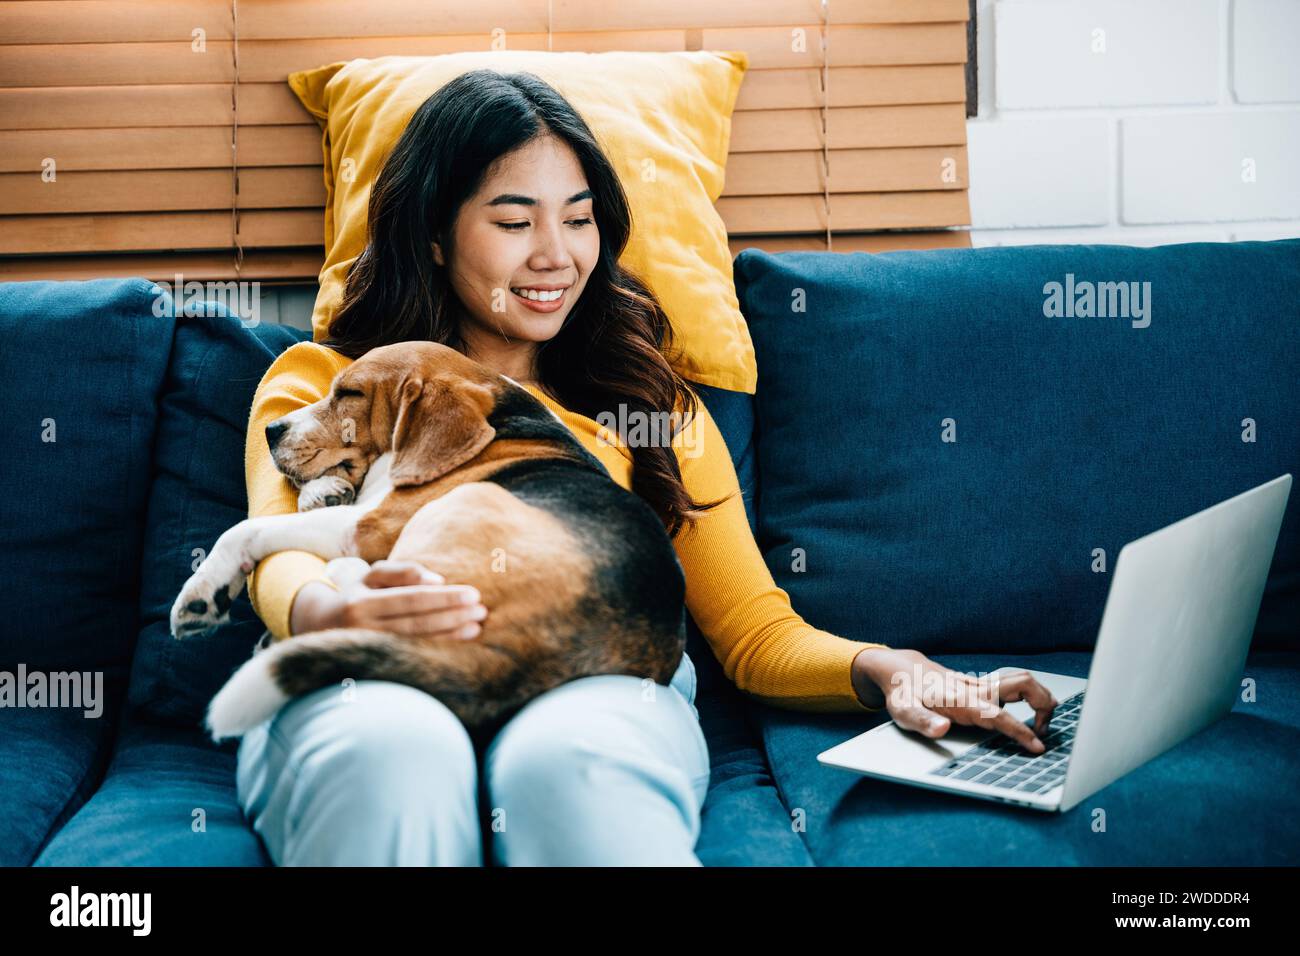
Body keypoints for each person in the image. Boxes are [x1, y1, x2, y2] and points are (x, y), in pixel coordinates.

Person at [235, 70, 1058, 866]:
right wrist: (326, 617)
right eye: (515, 222)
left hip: (592, 679)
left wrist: (893, 670)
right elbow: (282, 547)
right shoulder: (326, 383)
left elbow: (754, 633)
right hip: (369, 679)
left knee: (569, 767)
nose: (557, 255)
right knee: (393, 754)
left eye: (580, 219)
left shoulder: (648, 404)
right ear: (433, 234)